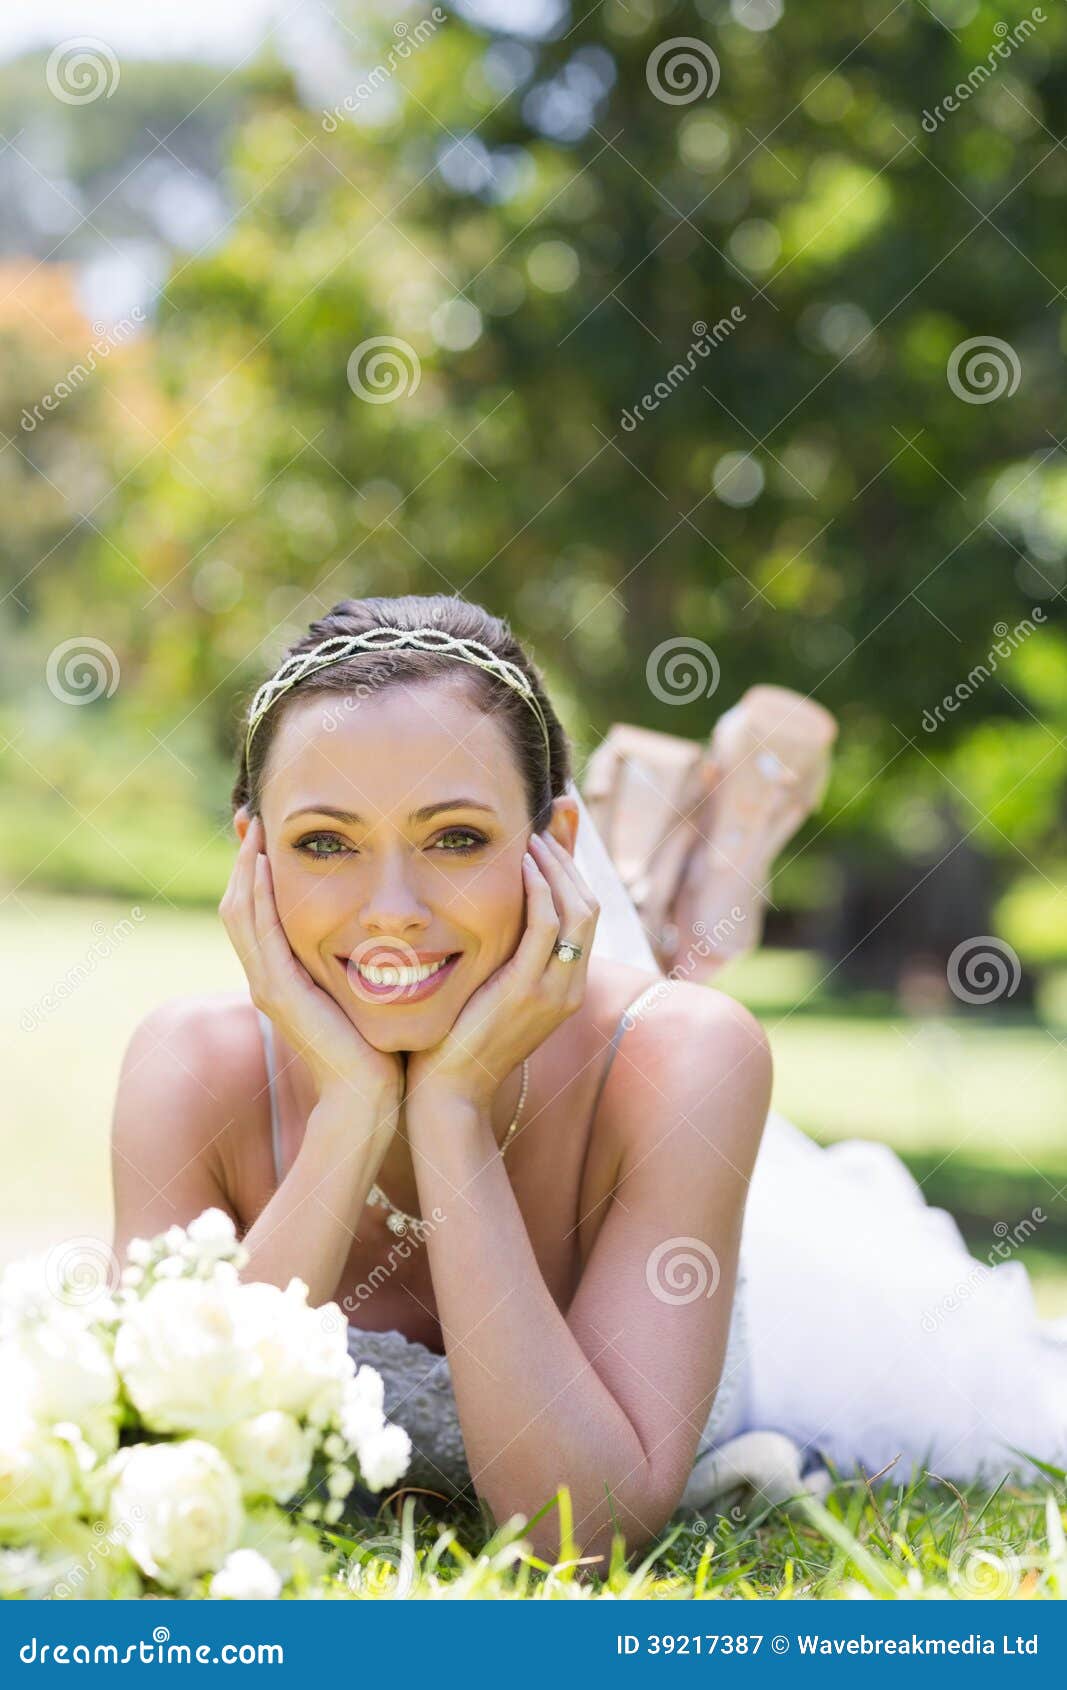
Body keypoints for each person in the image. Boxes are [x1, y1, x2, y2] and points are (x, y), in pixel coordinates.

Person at [110, 593, 1067, 1567]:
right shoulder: (189, 1067)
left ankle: (663, 893)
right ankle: (654, 892)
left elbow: (575, 1530)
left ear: (552, 844)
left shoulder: (689, 1058)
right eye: (325, 842)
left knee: (999, 1404)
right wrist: (352, 1107)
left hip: (767, 1279)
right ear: (252, 856)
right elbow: (163, 1463)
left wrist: (446, 1110)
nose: (389, 909)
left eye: (455, 837)